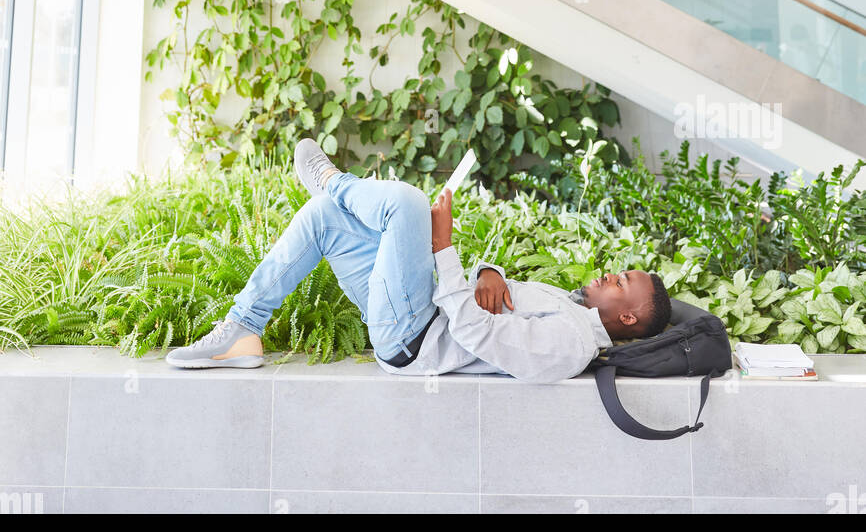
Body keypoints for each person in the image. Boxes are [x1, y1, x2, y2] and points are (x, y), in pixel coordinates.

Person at [166, 139, 672, 381]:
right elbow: (495, 303)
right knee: (324, 218)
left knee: (406, 204)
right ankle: (242, 330)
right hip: (416, 307)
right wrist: (489, 272)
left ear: (628, 316)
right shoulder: (568, 305)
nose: (610, 274)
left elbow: (476, 334)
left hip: (414, 337)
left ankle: (332, 179)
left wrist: (442, 247)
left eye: (621, 282)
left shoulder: (572, 343)